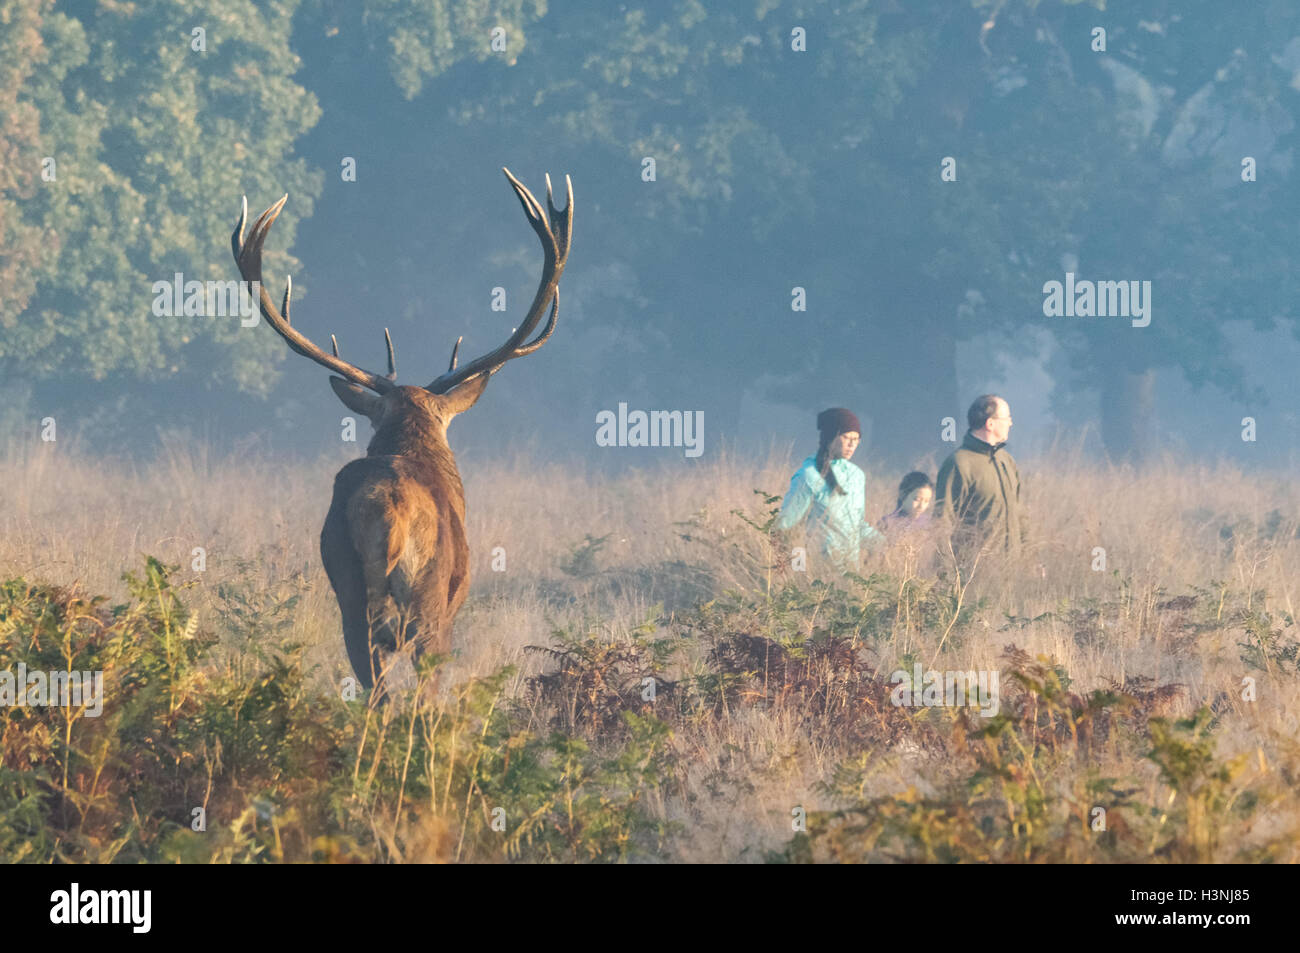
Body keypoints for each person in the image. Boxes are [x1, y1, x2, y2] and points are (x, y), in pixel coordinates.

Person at [773, 407, 883, 570]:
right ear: (830, 437)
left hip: (850, 572)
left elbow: (856, 525)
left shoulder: (857, 476)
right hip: (817, 573)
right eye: (846, 437)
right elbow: (786, 527)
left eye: (857, 438)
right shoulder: (808, 476)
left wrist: (883, 543)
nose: (852, 444)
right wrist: (798, 572)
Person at [934, 395, 1028, 566]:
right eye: (1007, 418)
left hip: (1013, 570)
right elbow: (942, 521)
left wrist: (1029, 558)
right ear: (990, 423)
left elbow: (1019, 513)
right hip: (973, 572)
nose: (1010, 423)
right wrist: (946, 575)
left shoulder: (1007, 461)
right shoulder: (958, 464)